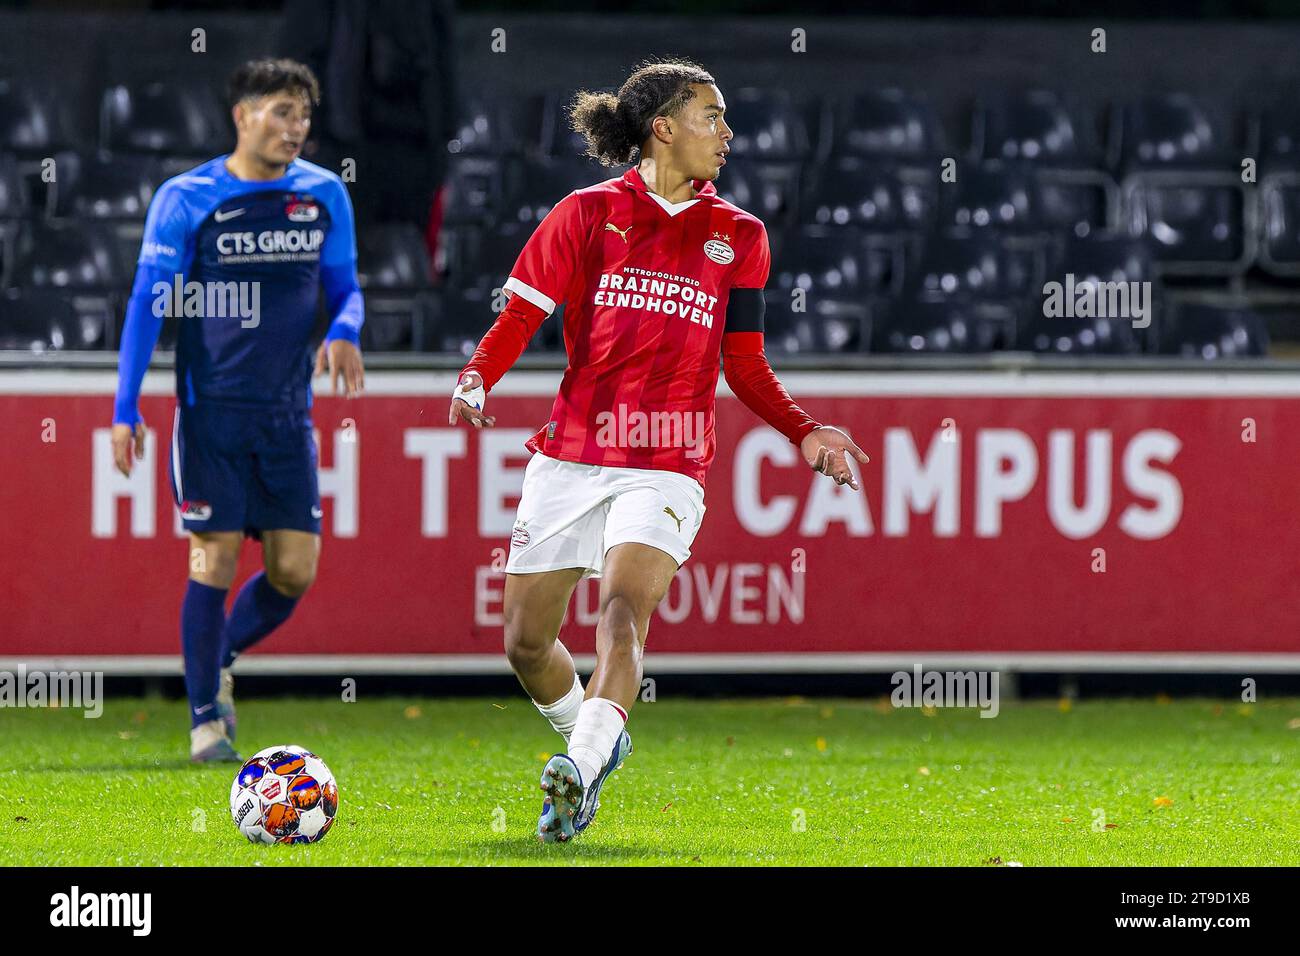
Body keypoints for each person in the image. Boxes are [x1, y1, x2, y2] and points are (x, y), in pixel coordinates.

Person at [447, 58, 869, 841]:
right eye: (712, 117)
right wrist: (476, 377)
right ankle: (596, 744)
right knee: (526, 642)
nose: (727, 134)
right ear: (663, 127)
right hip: (572, 452)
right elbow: (522, 313)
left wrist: (803, 428)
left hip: (669, 456)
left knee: (620, 614)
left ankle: (577, 769)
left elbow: (742, 362)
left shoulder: (740, 235)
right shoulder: (585, 213)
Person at [111, 58, 365, 763]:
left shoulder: (322, 197)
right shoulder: (186, 198)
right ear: (241, 115)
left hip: (287, 416)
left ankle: (213, 657)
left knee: (294, 571)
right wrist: (123, 407)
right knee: (211, 560)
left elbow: (347, 288)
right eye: (282, 112)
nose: (296, 128)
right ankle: (204, 721)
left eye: (304, 116)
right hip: (211, 412)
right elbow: (146, 305)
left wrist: (345, 328)